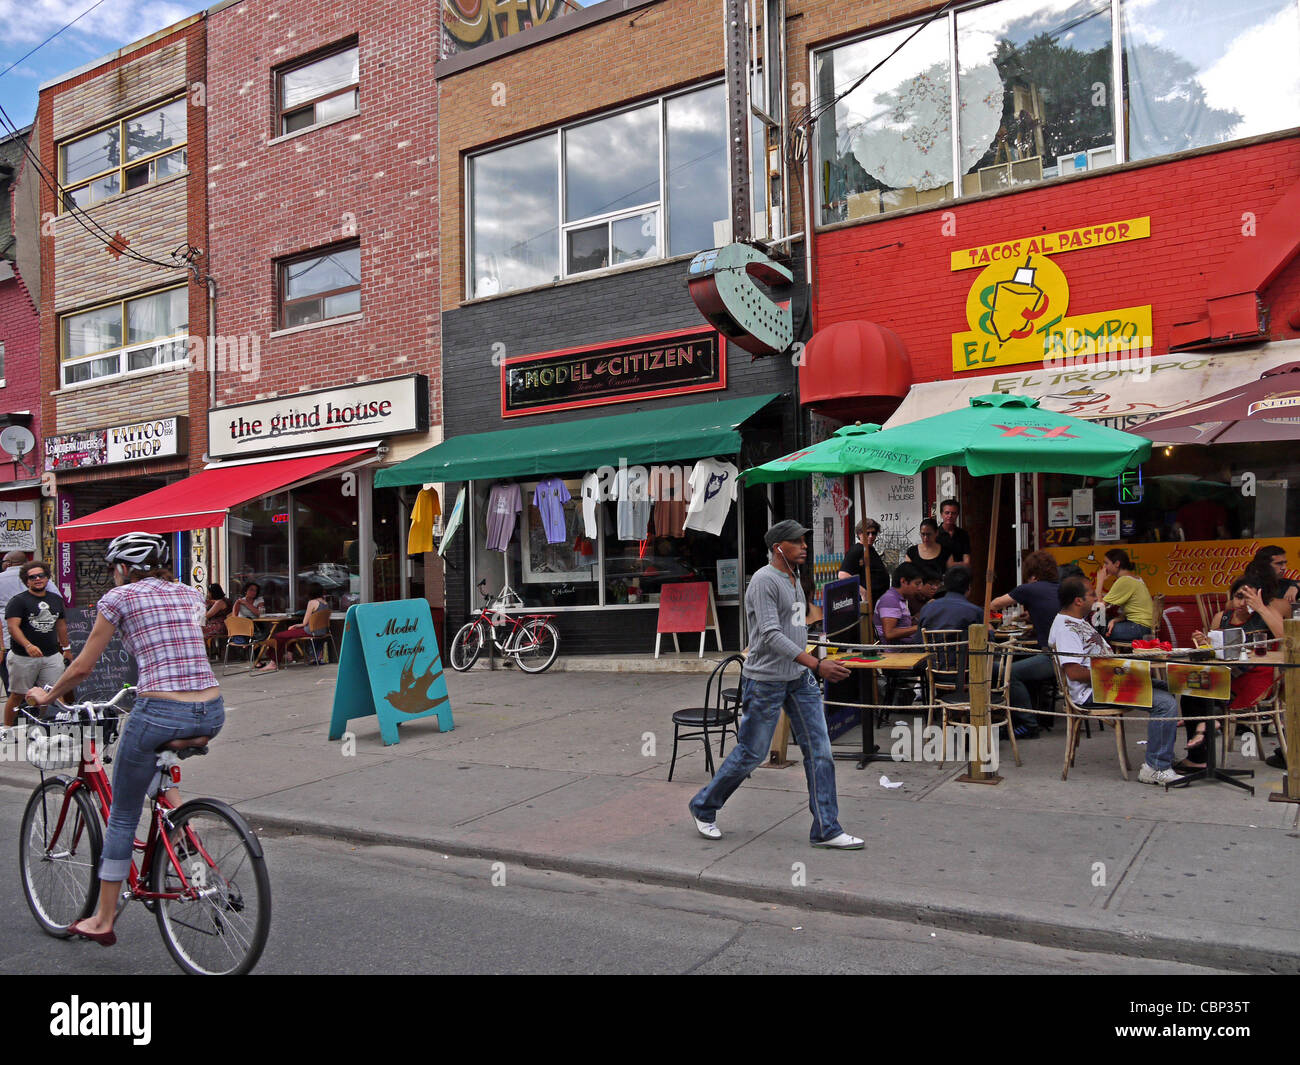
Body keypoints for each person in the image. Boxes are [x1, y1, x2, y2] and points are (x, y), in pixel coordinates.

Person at [25, 531, 223, 947]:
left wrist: (48, 694)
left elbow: (81, 667)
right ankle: (180, 832)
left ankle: (102, 917)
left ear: (121, 568)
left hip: (161, 710)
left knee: (122, 813)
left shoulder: (118, 598)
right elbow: (177, 646)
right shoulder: (189, 594)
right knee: (155, 772)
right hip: (212, 709)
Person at [688, 519, 864, 850]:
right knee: (752, 753)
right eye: (798, 542)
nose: (805, 546)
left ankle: (826, 828)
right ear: (779, 547)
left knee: (820, 751)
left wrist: (815, 649)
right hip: (766, 681)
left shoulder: (794, 579)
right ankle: (703, 806)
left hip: (798, 679)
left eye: (804, 541)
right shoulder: (763, 581)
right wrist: (816, 663)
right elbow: (770, 634)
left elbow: (794, 626)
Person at [1050, 577, 1182, 785]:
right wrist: (1120, 673)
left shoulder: (1077, 621)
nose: (1096, 598)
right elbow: (1075, 672)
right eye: (1092, 594)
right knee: (1165, 703)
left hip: (1109, 681)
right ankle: (1156, 767)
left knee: (1167, 687)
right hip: (1093, 692)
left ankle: (1162, 755)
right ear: (1078, 601)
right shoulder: (1066, 629)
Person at [1180, 576, 1288, 772]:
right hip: (1226, 672)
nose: (1243, 602)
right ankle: (1198, 756)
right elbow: (1213, 650)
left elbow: (1285, 638)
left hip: (1257, 674)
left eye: (1249, 597)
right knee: (1189, 691)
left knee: (1212, 687)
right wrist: (1203, 641)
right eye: (1239, 596)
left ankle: (1210, 722)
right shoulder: (1222, 617)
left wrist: (1261, 607)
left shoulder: (1265, 614)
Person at [992, 551, 1061, 731]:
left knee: (1010, 672)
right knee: (1017, 660)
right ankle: (1025, 712)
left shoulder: (1029, 588)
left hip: (1053, 657)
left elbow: (995, 604)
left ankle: (1028, 724)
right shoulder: (1060, 588)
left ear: (1031, 574)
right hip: (1071, 656)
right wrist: (1032, 616)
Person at [5, 561, 71, 727]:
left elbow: (61, 625)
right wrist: (28, 645)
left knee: (54, 694)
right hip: (23, 657)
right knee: (18, 695)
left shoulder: (56, 599)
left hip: (51, 656)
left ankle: (51, 726)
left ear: (47, 577)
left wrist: (66, 648)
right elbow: (13, 627)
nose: (37, 579)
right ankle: (7, 728)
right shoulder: (18, 601)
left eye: (41, 575)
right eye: (32, 577)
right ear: (26, 581)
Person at [256, 583, 330, 671]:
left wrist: (295, 625)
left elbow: (304, 623)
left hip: (310, 631)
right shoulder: (325, 603)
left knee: (279, 636)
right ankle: (289, 653)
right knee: (291, 633)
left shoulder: (312, 602)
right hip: (323, 631)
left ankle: (273, 663)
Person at [1094, 549, 1154, 642]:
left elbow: (1098, 607)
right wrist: (1116, 620)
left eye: (1106, 563)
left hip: (1138, 628)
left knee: (1097, 629)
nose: (1104, 567)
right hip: (1143, 627)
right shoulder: (1136, 578)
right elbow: (1134, 608)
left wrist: (1100, 581)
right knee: (1104, 622)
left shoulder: (1124, 581)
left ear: (1117, 564)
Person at [837, 519, 889, 605]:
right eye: (867, 533)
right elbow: (843, 575)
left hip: (877, 601)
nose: (870, 536)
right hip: (865, 603)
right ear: (859, 534)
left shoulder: (869, 549)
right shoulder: (857, 550)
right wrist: (863, 592)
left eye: (874, 533)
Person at [917, 565, 982, 632]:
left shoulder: (927, 608)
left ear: (945, 585)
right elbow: (983, 638)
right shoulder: (975, 612)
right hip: (963, 642)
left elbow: (919, 640)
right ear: (969, 587)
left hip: (930, 642)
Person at [0, 549, 29, 696]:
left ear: (9, 563)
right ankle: (36, 715)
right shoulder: (37, 578)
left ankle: (18, 717)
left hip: (7, 641)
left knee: (12, 684)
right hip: (37, 641)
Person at [874, 562, 924, 644]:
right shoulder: (890, 600)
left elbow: (902, 624)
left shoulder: (900, 599)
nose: (919, 588)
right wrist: (919, 628)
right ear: (903, 581)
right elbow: (889, 633)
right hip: (899, 652)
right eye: (917, 584)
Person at [905, 517, 951, 582]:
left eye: (929, 534)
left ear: (936, 533)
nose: (925, 538)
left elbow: (952, 577)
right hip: (918, 590)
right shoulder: (912, 552)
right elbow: (907, 575)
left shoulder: (946, 553)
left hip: (940, 590)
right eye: (923, 534)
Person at [936, 499, 971, 569]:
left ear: (957, 515)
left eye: (953, 513)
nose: (950, 516)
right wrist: (959, 564)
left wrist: (951, 564)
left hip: (959, 576)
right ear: (941, 514)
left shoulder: (963, 534)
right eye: (947, 513)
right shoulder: (934, 534)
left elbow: (967, 563)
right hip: (939, 578)